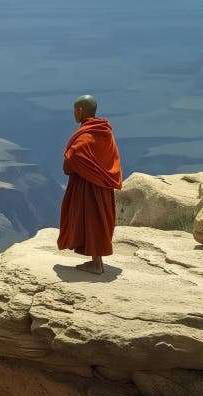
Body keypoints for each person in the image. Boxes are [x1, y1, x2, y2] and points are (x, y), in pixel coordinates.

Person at [57, 94, 122, 274]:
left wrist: (69, 159)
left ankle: (96, 264)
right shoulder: (105, 131)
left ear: (80, 111)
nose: (73, 114)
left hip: (88, 187)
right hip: (102, 186)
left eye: (74, 110)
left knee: (92, 221)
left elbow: (74, 156)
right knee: (97, 221)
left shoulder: (85, 136)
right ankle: (96, 260)